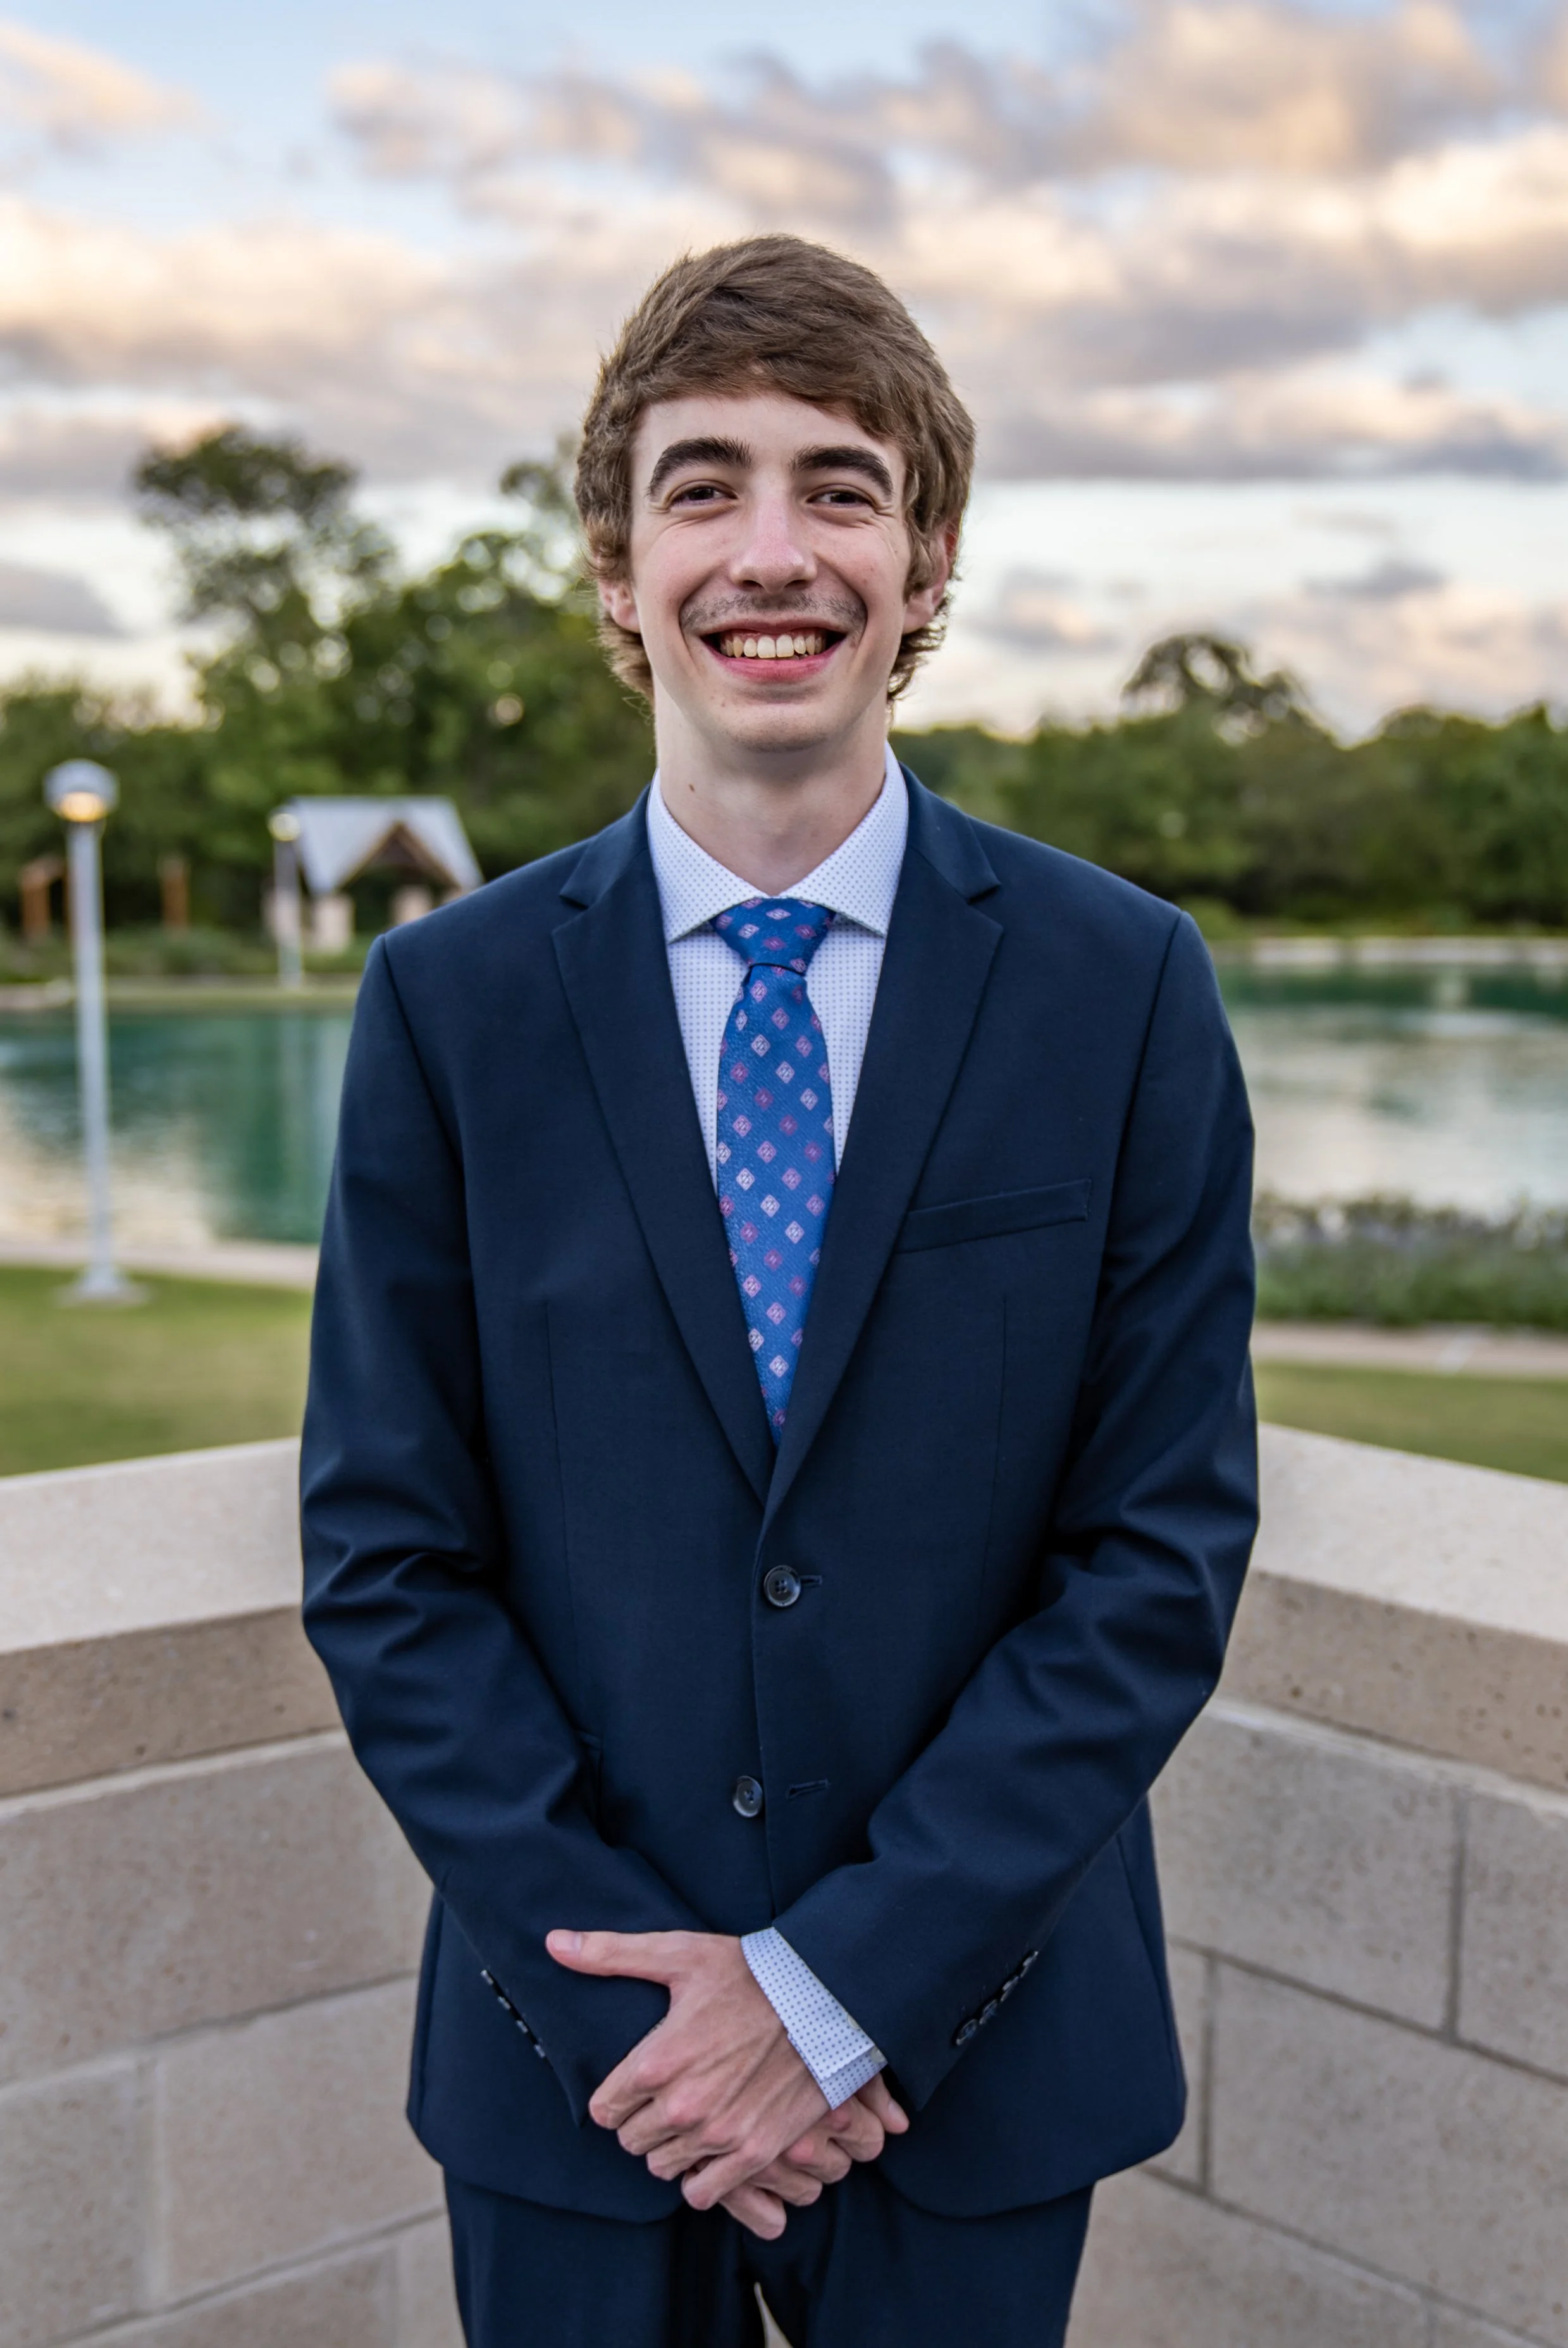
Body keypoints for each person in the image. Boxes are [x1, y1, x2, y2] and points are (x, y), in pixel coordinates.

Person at [301, 232, 1257, 2348]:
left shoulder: (1122, 988)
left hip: (976, 2058)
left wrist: (833, 1996)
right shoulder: (446, 1008)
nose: (772, 551)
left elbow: (1152, 1554)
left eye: (841, 488)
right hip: (587, 2076)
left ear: (925, 563)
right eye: (702, 484)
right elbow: (388, 1560)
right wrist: (677, 2021)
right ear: (614, 564)